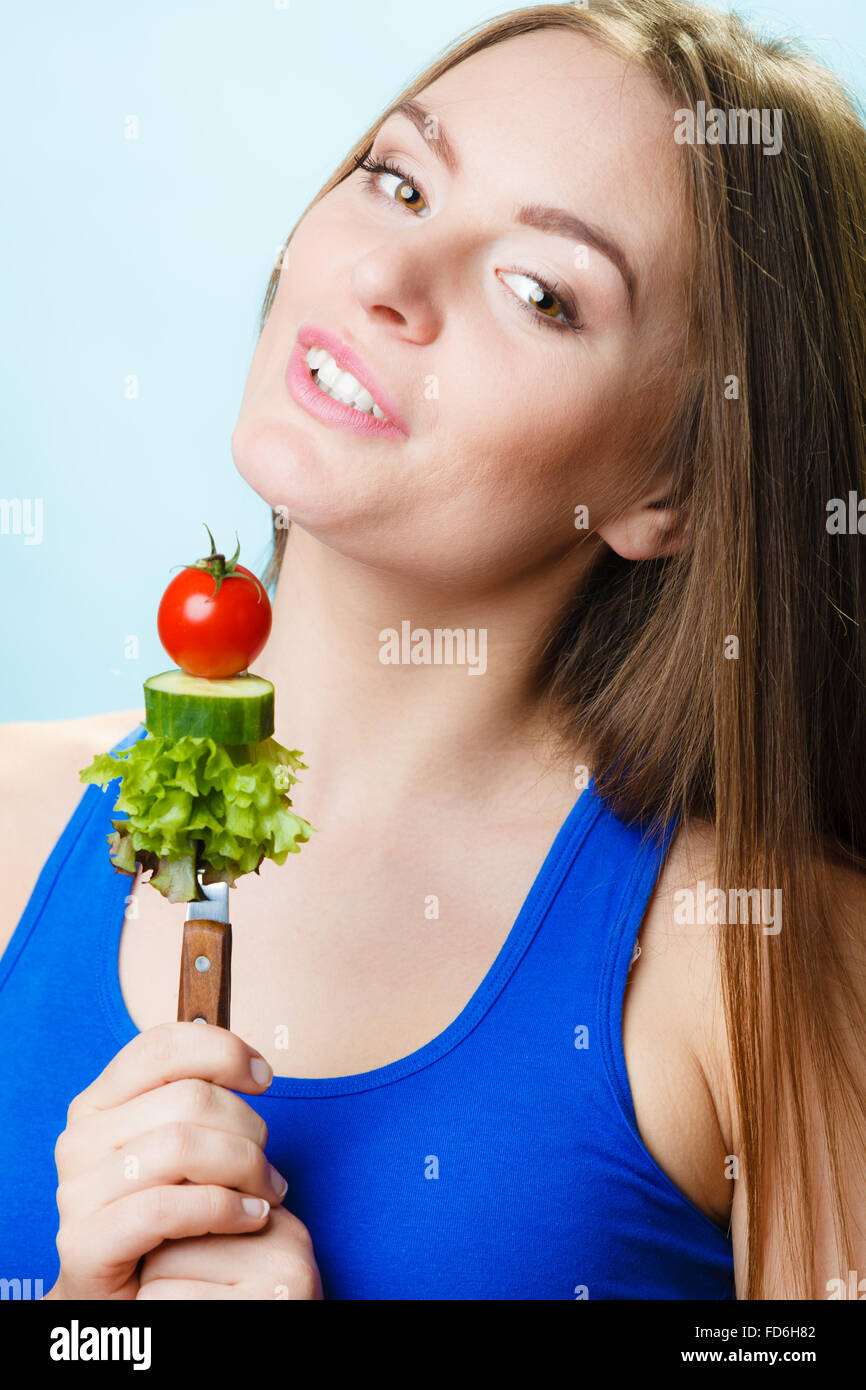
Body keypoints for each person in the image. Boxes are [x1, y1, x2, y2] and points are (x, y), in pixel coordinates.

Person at [1, 0, 864, 1301]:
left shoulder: (769, 966)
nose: (387, 282)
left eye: (538, 292)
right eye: (396, 180)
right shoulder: (11, 825)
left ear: (672, 488)